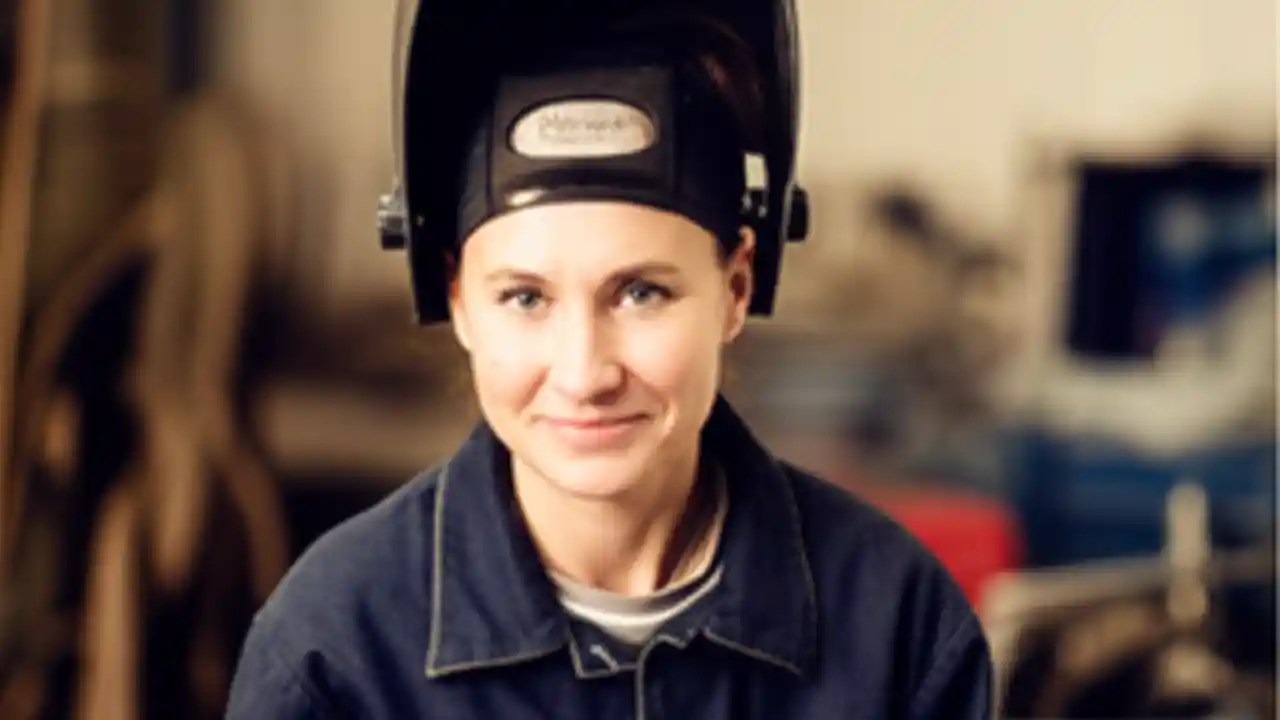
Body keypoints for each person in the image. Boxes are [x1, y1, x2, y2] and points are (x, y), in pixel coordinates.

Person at [226, 4, 992, 718]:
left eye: (640, 293)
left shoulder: (898, 628)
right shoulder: (337, 651)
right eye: (525, 298)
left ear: (735, 288)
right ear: (458, 302)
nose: (584, 373)